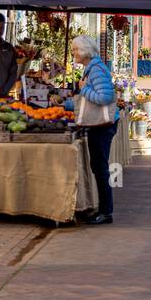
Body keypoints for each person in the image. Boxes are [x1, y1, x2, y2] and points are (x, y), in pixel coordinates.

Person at [60, 35, 120, 226]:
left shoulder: (95, 70)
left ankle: (106, 212)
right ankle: (102, 209)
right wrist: (66, 105)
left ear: (85, 51)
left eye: (76, 50)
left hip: (102, 126)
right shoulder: (92, 68)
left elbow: (106, 97)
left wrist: (84, 89)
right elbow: (87, 103)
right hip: (99, 125)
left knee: (101, 168)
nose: (74, 53)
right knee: (98, 167)